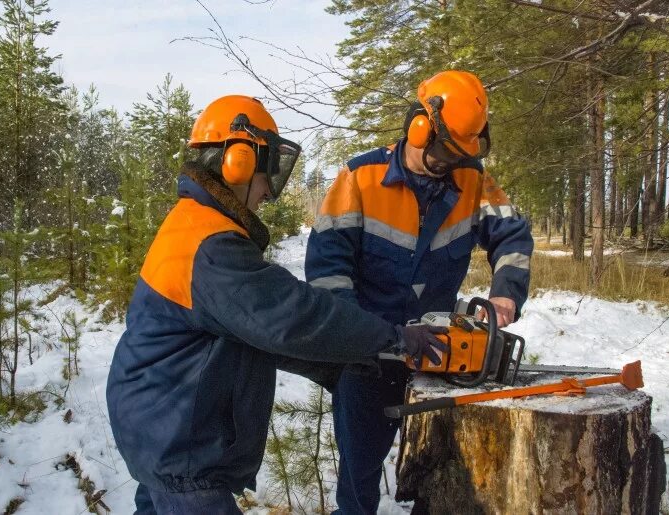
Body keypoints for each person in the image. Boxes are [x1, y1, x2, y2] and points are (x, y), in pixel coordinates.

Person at [106, 95, 450, 515]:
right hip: (180, 443)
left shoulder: (194, 224)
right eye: (268, 172)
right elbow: (293, 316)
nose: (269, 190)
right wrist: (392, 337)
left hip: (160, 425)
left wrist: (341, 366)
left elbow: (250, 334)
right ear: (239, 162)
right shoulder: (211, 247)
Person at [305, 70, 534, 514]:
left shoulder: (472, 180)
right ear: (419, 125)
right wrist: (364, 338)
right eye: (445, 150)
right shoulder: (359, 178)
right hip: (369, 358)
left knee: (446, 477)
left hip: (438, 360)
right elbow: (328, 277)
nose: (450, 162)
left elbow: (513, 236)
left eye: (459, 153)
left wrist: (505, 294)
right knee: (358, 487)